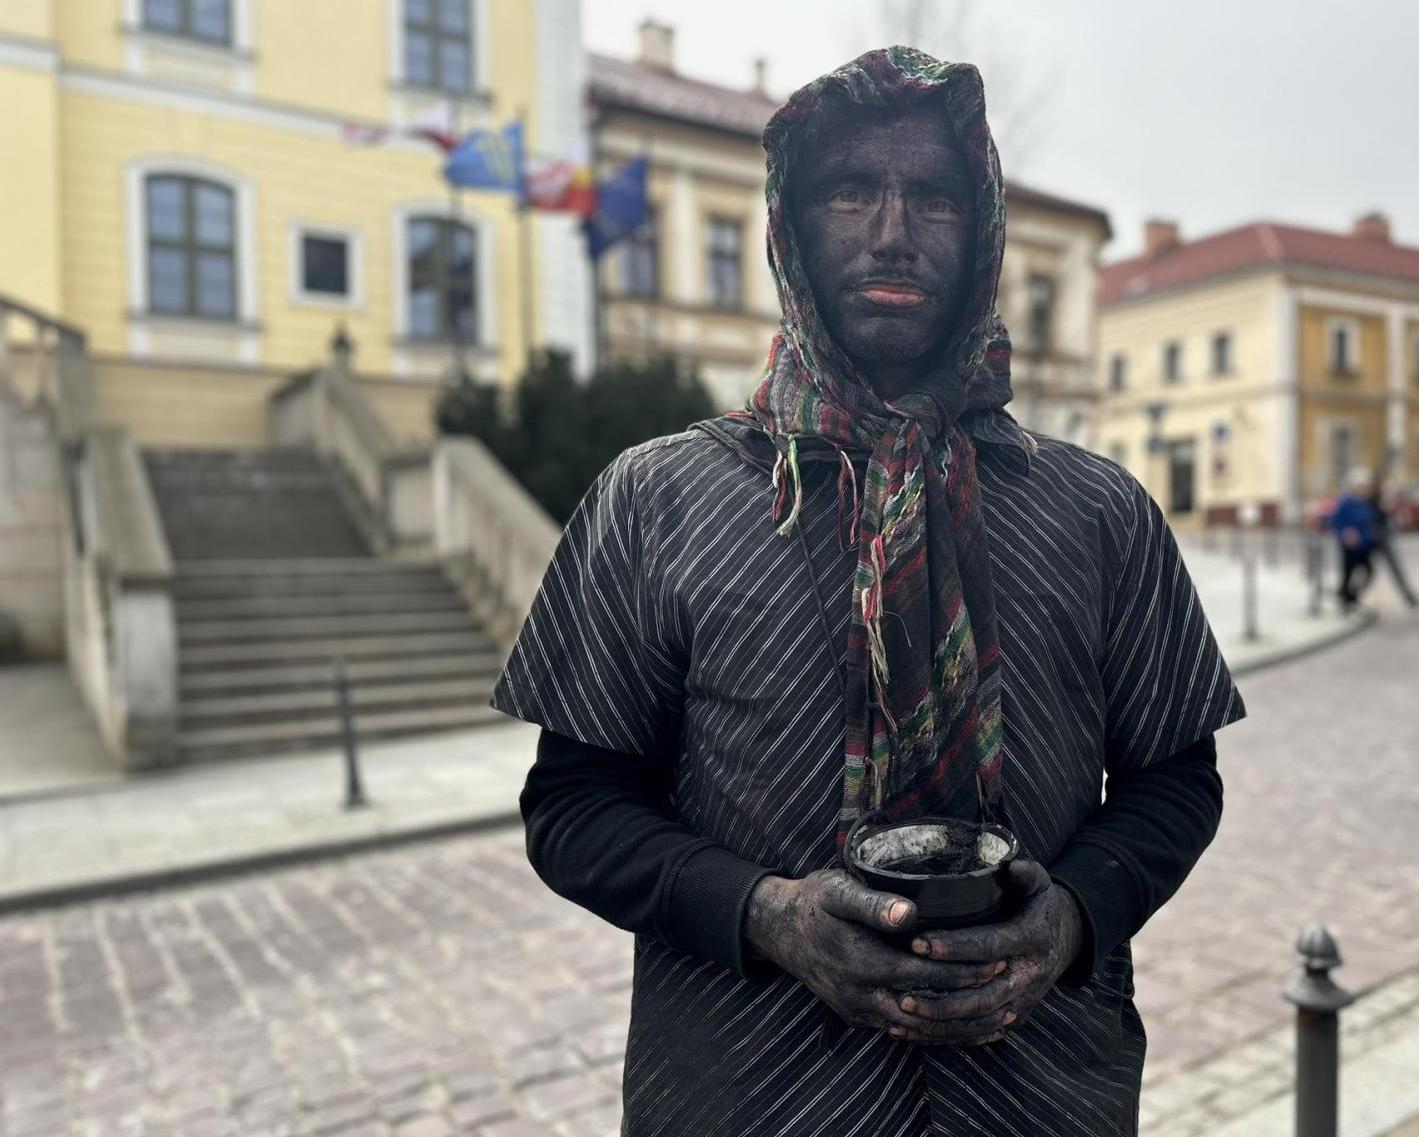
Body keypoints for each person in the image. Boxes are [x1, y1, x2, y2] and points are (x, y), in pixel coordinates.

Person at [490, 48, 1245, 1136]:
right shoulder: (658, 499)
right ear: (789, 226)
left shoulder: (1096, 512)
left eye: (932, 197)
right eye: (850, 190)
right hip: (750, 1091)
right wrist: (770, 917)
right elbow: (572, 810)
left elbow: (1176, 778)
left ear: (979, 228)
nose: (892, 230)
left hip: (1038, 1095)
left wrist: (1071, 919)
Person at [1326, 467, 1378, 611]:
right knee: (1347, 572)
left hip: (1364, 545)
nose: (1364, 489)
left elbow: (1371, 521)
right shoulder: (1346, 501)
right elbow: (1336, 520)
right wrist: (1345, 532)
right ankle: (1346, 599)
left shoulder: (1366, 502)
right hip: (1349, 545)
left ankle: (1352, 595)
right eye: (1361, 486)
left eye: (1366, 487)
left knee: (1368, 571)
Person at [1370, 471, 1419, 609]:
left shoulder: (1384, 498)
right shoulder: (1371, 498)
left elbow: (1390, 513)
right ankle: (1351, 595)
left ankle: (1409, 596)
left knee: (1395, 569)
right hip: (1371, 538)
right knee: (1366, 569)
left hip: (1382, 537)